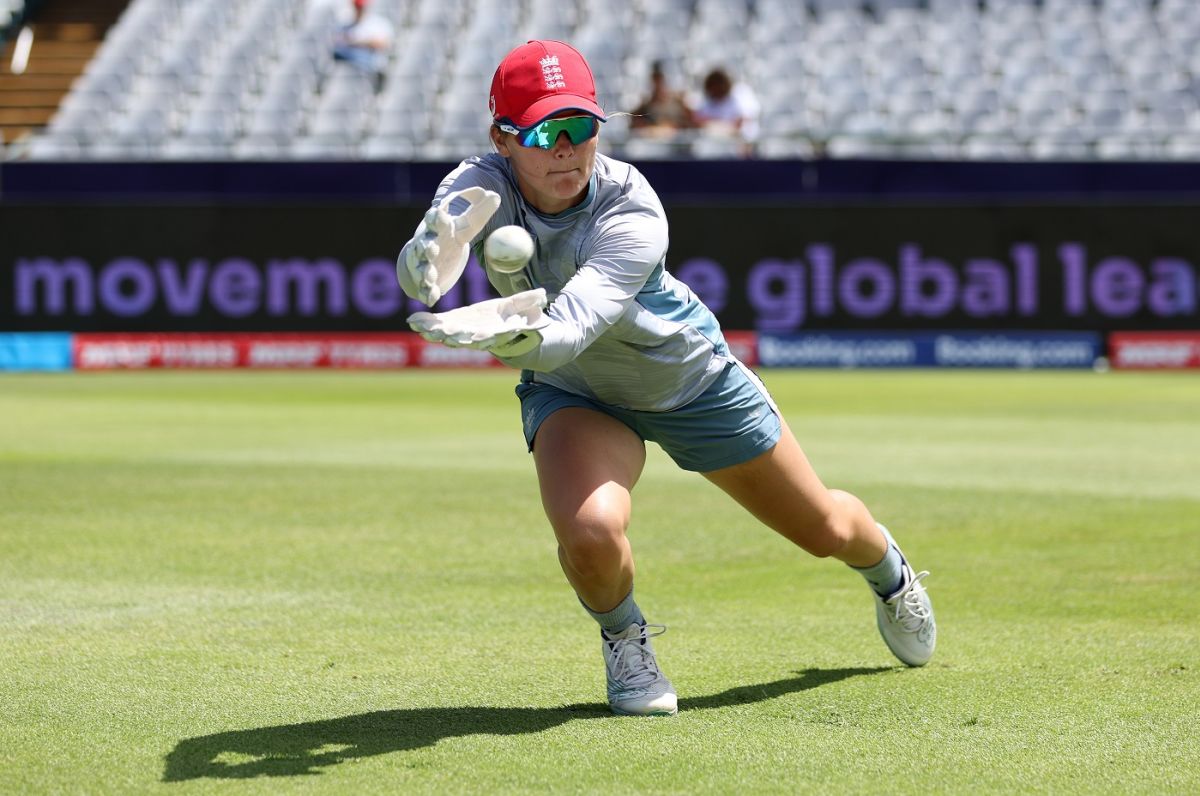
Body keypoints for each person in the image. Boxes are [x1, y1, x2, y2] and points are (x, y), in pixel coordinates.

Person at [397, 40, 936, 717]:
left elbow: (578, 321)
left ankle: (889, 572)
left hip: (689, 381)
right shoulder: (476, 184)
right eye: (545, 131)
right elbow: (429, 261)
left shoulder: (631, 204)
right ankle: (626, 640)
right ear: (502, 137)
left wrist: (509, 335)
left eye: (581, 126)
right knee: (591, 533)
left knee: (824, 528)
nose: (567, 148)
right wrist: (422, 267)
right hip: (579, 393)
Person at [693, 67, 761, 156]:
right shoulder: (707, 101)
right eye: (713, 85)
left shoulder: (741, 92)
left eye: (718, 84)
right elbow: (699, 121)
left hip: (741, 151)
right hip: (713, 152)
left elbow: (741, 123)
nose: (716, 88)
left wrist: (715, 126)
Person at [330, 0, 394, 92]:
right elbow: (337, 42)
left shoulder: (377, 24)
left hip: (370, 66)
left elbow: (382, 43)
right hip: (348, 64)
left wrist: (358, 42)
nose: (359, 9)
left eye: (361, 7)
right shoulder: (345, 23)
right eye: (358, 7)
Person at [629, 60, 697, 138]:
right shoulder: (646, 104)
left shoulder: (678, 102)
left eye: (660, 79)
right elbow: (634, 123)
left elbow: (691, 122)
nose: (658, 83)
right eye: (655, 79)